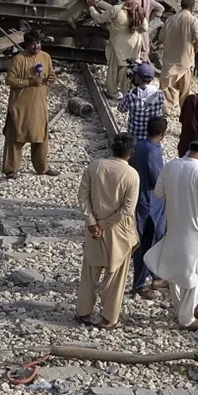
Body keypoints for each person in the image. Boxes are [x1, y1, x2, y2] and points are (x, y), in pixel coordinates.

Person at [144, 134, 198, 330]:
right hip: (197, 231)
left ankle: (183, 308)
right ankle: (187, 318)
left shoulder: (171, 165)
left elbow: (159, 193)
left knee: (176, 270)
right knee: (196, 273)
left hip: (175, 225)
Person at [75, 132, 140, 329]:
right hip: (118, 231)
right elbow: (128, 209)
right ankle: (108, 318)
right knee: (115, 275)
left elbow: (82, 196)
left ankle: (83, 312)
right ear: (131, 153)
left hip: (93, 229)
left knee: (89, 271)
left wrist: (93, 222)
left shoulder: (95, 166)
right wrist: (104, 224)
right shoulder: (131, 175)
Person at [2, 30, 60, 179]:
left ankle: (42, 167)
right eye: (33, 44)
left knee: (41, 136)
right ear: (27, 44)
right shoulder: (19, 59)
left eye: (38, 43)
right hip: (21, 105)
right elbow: (9, 80)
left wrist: (51, 78)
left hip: (39, 104)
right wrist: (29, 82)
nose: (36, 46)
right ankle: (10, 169)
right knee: (15, 136)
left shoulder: (45, 57)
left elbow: (50, 74)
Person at [130, 117, 168, 299]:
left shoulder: (139, 145)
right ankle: (140, 283)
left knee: (153, 240)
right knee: (148, 242)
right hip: (151, 203)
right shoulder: (154, 152)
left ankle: (155, 275)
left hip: (141, 199)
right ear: (163, 134)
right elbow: (157, 180)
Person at [89, 0, 147, 98]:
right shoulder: (138, 9)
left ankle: (112, 92)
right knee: (128, 71)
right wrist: (136, 30)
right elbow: (144, 28)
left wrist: (91, 7)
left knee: (113, 70)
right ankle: (127, 94)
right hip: (134, 45)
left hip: (118, 45)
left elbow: (99, 19)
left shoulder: (116, 9)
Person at [160, 0, 198, 114]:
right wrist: (197, 46)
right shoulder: (193, 20)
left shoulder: (170, 19)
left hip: (169, 60)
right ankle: (184, 114)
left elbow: (161, 37)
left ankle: (166, 109)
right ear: (192, 7)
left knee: (167, 87)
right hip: (185, 61)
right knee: (184, 91)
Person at [118, 62, 164, 140]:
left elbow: (121, 109)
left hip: (134, 136)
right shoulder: (160, 94)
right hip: (150, 137)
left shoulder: (131, 96)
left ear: (137, 78)